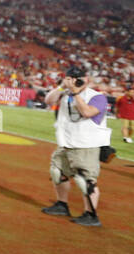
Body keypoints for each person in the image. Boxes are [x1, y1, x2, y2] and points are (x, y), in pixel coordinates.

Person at [40, 64, 110, 226]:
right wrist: (61, 87)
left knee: (85, 180)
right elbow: (48, 100)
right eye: (72, 78)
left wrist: (76, 92)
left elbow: (87, 112)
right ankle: (62, 205)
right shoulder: (64, 93)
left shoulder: (97, 96)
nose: (76, 81)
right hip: (66, 143)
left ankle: (91, 215)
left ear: (87, 79)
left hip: (86, 144)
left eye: (80, 78)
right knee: (57, 172)